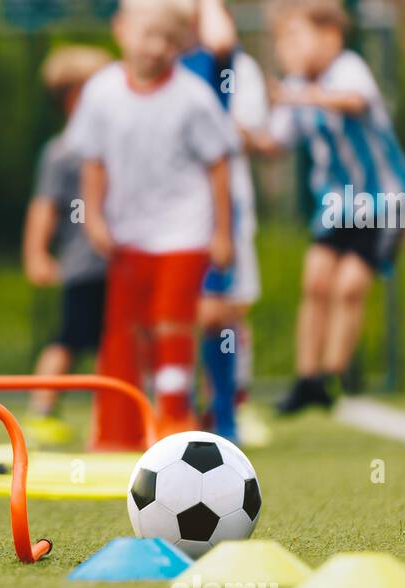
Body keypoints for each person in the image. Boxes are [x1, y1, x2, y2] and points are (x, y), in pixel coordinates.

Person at [70, 0, 240, 442]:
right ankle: (120, 431)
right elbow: (94, 162)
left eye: (169, 39)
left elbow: (219, 165)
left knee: (172, 321)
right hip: (128, 233)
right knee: (126, 330)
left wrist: (223, 232)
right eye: (149, 35)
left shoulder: (193, 97)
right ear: (121, 31)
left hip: (184, 229)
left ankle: (173, 417)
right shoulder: (101, 91)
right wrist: (94, 221)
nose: (157, 47)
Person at [247, 0, 405, 414]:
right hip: (336, 205)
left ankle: (334, 373)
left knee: (350, 286)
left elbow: (353, 102)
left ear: (330, 36)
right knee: (316, 282)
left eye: (294, 37)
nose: (286, 49)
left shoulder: (347, 68)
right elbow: (273, 145)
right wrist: (234, 133)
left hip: (387, 201)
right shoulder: (297, 88)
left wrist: (293, 95)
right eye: (281, 40)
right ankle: (308, 380)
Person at [179, 0, 273, 445]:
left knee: (226, 312)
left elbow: (246, 132)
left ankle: (229, 406)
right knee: (175, 315)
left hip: (222, 207)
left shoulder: (231, 67)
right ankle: (180, 410)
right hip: (165, 210)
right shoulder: (164, 63)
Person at [22, 45, 115, 447]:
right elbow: (44, 208)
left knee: (113, 341)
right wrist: (37, 254)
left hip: (122, 262)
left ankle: (113, 415)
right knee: (69, 338)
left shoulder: (114, 143)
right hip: (84, 264)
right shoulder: (62, 152)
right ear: (75, 95)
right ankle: (42, 410)